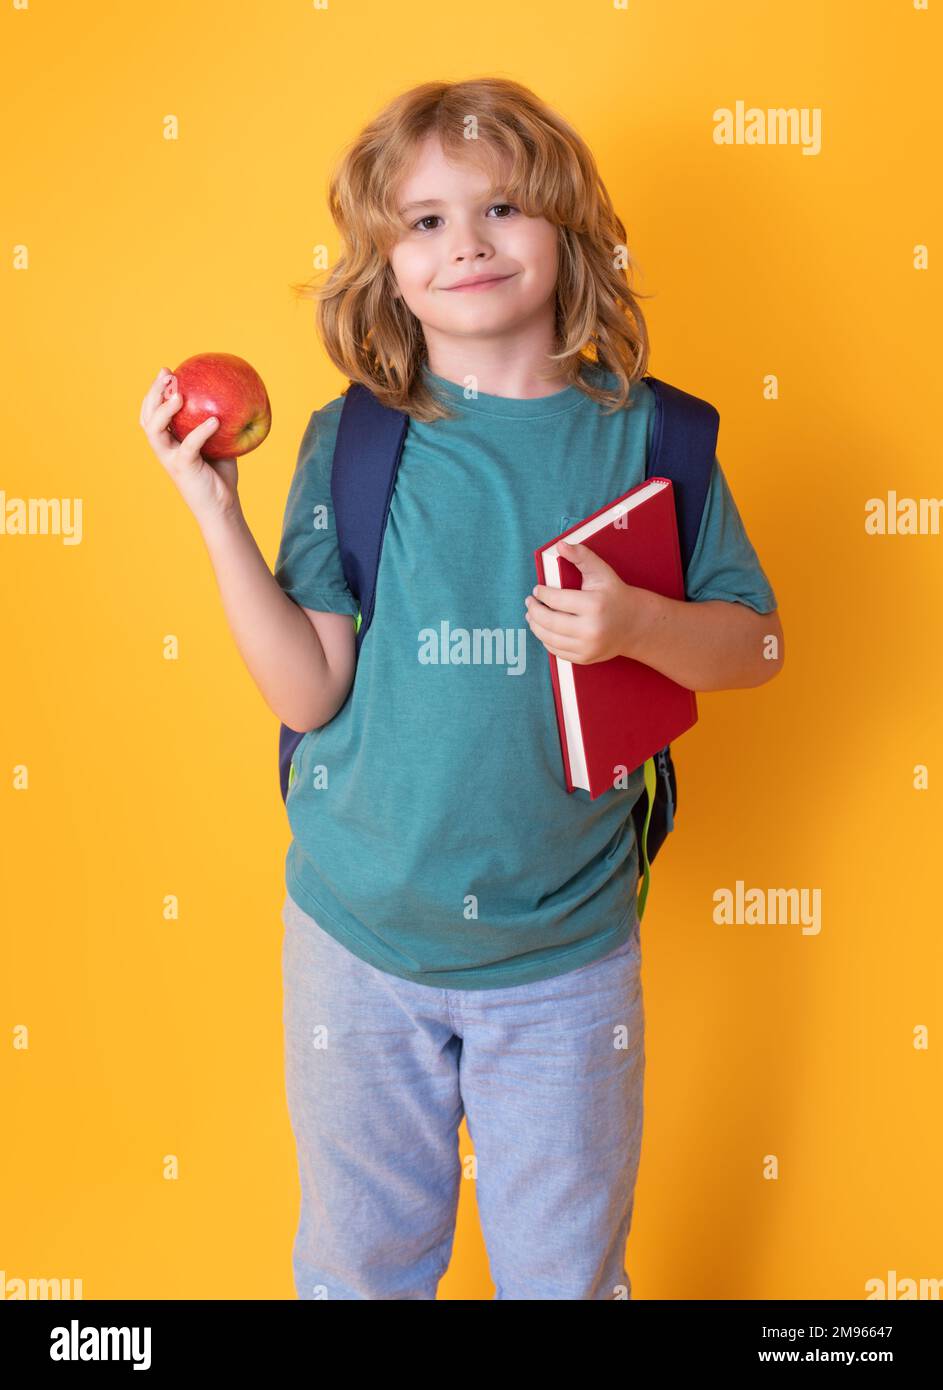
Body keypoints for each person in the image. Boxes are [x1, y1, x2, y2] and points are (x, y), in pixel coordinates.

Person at [139, 77, 784, 1301]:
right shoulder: (352, 441)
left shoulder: (656, 439)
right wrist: (216, 516)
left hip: (566, 953)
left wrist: (640, 624)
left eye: (501, 208)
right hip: (357, 942)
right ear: (384, 266)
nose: (467, 241)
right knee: (356, 1267)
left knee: (565, 1277)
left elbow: (756, 648)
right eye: (424, 220)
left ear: (569, 234)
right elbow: (308, 690)